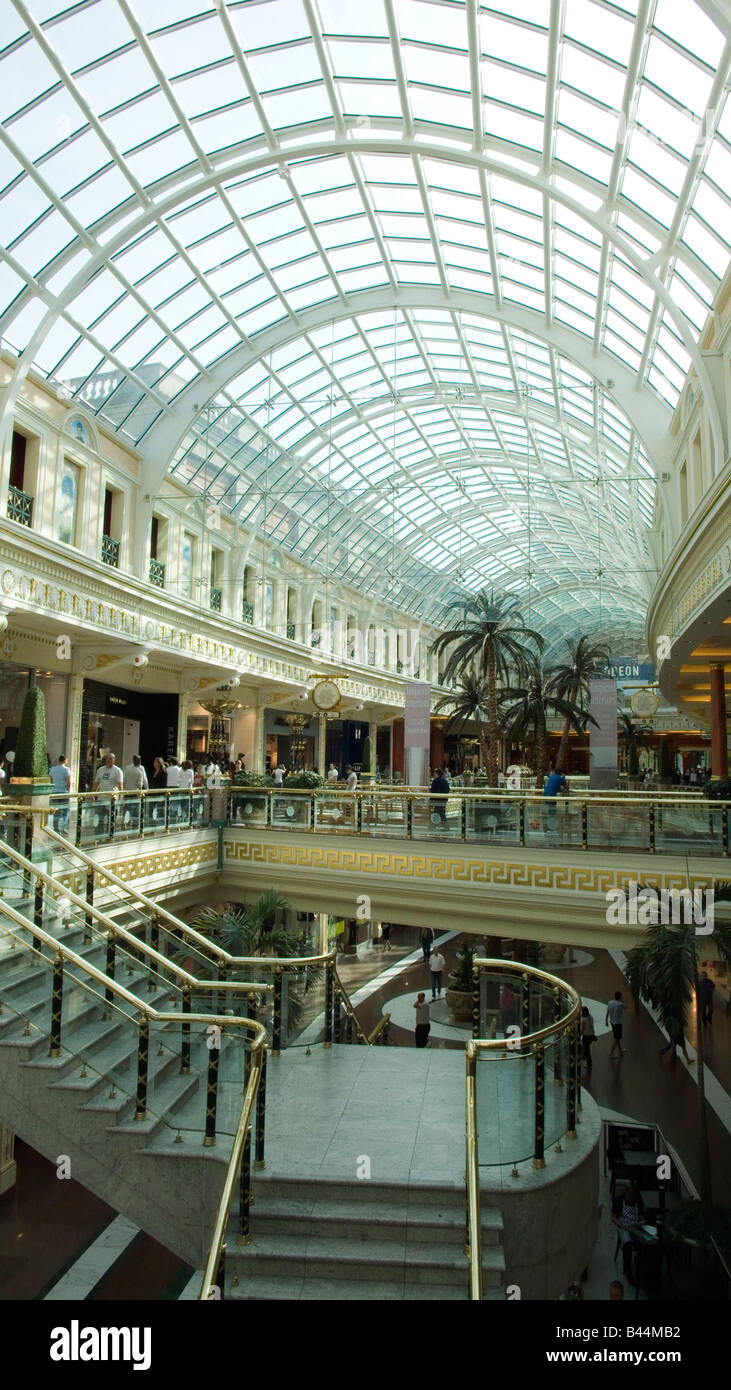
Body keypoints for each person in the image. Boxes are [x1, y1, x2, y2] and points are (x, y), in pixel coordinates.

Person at [611, 1180, 645, 1281]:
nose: (630, 1195)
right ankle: (628, 1272)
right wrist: (621, 1225)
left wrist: (641, 1221)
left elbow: (641, 1217)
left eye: (632, 1193)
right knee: (628, 1244)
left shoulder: (638, 1202)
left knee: (644, 1242)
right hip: (623, 1227)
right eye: (629, 1192)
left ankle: (642, 1270)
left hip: (635, 1226)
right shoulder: (619, 1200)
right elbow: (613, 1218)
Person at [49, 754, 71, 833]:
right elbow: (68, 781)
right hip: (63, 792)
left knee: (56, 810)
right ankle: (63, 827)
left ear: (59, 760)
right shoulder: (66, 769)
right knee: (66, 810)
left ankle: (55, 827)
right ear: (65, 760)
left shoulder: (52, 769)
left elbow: (50, 780)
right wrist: (68, 791)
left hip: (55, 792)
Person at [543, 768, 567, 832]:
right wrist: (563, 777)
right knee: (552, 811)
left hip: (545, 795)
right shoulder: (559, 778)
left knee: (549, 811)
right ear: (560, 773)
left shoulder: (552, 776)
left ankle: (548, 827)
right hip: (551, 796)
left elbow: (555, 786)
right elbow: (565, 786)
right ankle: (551, 828)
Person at [605, 990, 626, 1058]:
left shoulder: (610, 1002)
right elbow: (626, 1007)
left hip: (612, 1022)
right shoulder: (620, 1004)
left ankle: (620, 1051)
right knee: (617, 1038)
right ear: (620, 997)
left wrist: (606, 1021)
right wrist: (623, 1000)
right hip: (618, 1023)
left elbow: (607, 1012)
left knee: (617, 1037)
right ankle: (611, 1053)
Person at [580, 1004, 596, 1073]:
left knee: (586, 1050)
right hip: (591, 1035)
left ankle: (588, 1063)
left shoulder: (584, 1019)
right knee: (587, 1048)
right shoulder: (590, 1017)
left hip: (586, 1036)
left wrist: (580, 1034)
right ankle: (586, 1061)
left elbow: (583, 1029)